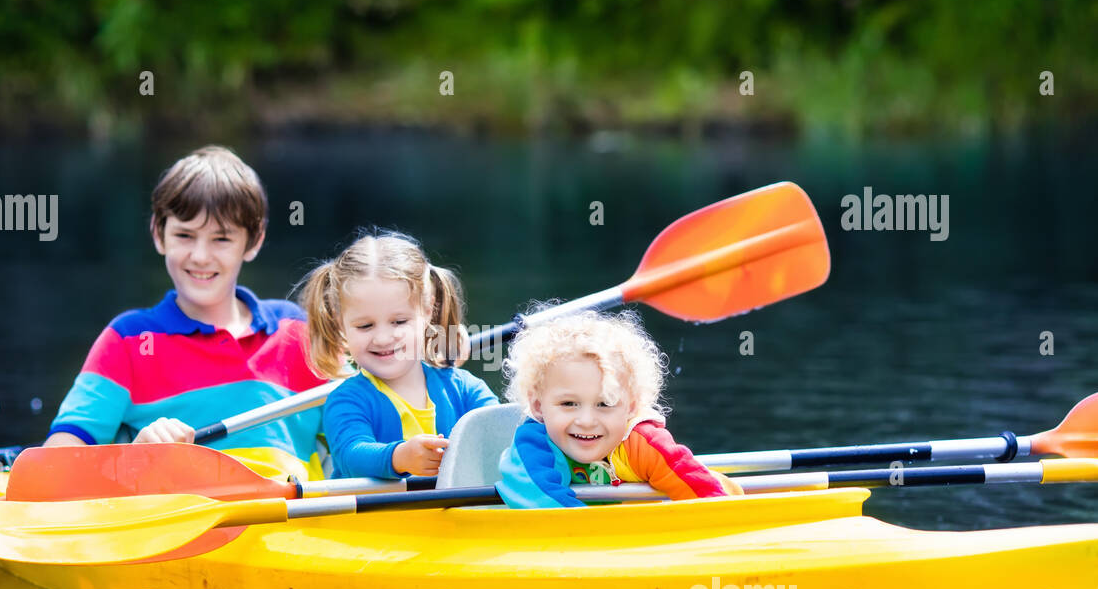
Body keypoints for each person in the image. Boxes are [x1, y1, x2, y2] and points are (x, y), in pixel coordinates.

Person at [43, 146, 327, 481]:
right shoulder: (127, 340)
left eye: (221, 239)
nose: (201, 256)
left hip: (290, 523)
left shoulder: (296, 331)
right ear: (158, 234)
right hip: (179, 523)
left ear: (254, 241)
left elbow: (363, 427)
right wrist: (133, 459)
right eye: (184, 235)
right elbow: (55, 462)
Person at [300, 230, 498, 479]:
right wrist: (399, 457)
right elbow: (352, 455)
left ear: (427, 312)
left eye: (399, 321)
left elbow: (500, 431)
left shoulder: (465, 389)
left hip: (456, 516)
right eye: (365, 326)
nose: (383, 338)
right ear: (341, 324)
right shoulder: (346, 400)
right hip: (374, 518)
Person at [496, 309, 742, 507]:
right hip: (587, 539)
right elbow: (542, 503)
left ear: (631, 407)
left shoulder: (642, 443)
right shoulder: (533, 443)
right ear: (538, 406)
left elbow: (704, 494)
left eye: (605, 403)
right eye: (569, 404)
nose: (586, 420)